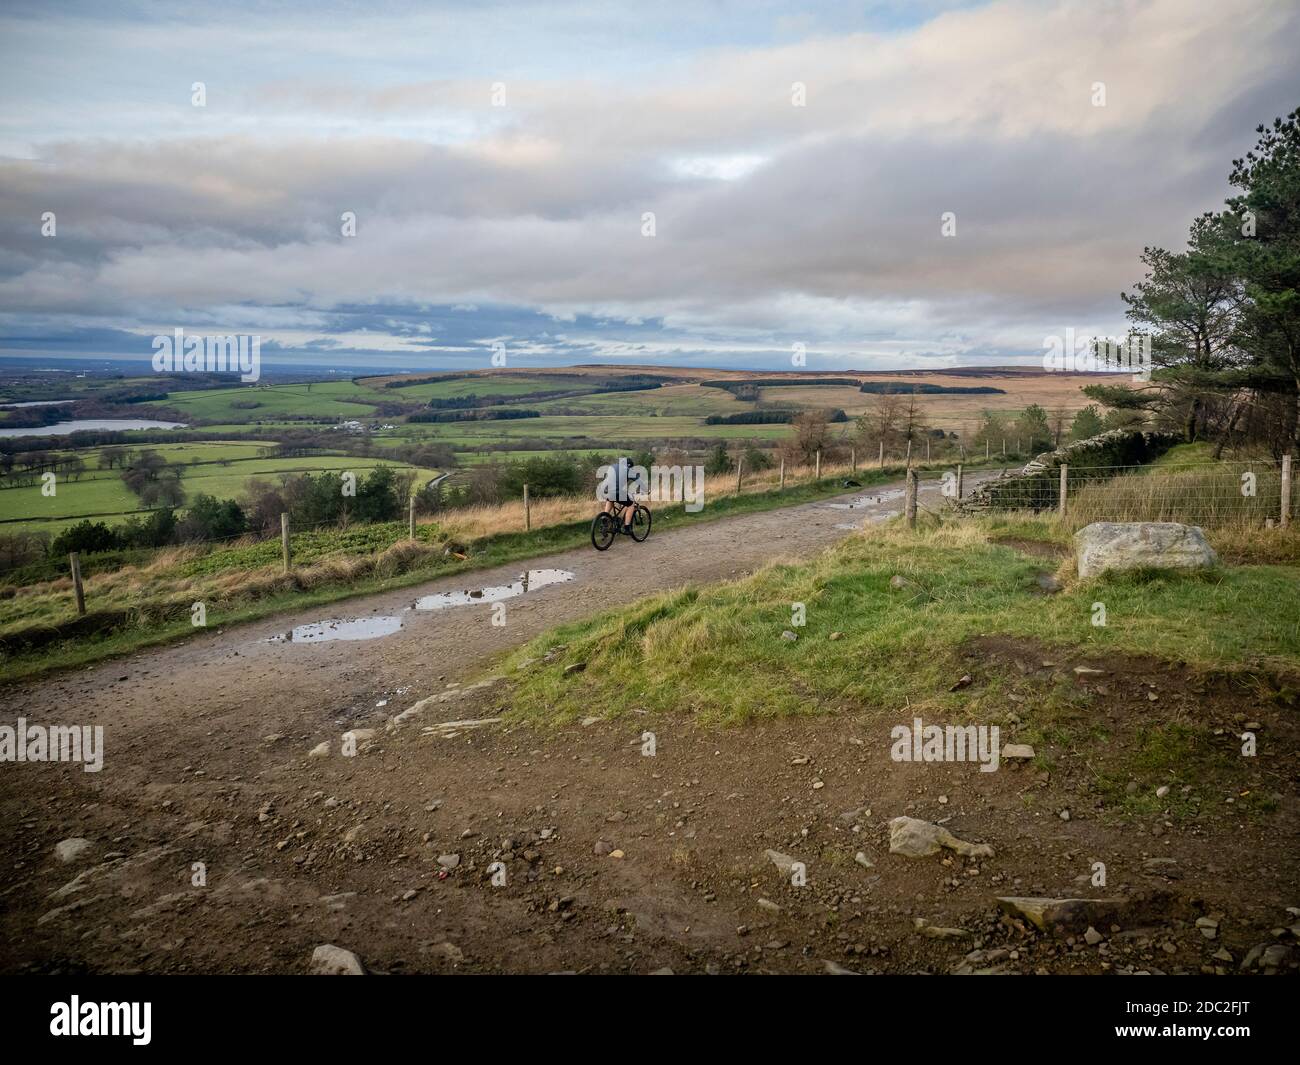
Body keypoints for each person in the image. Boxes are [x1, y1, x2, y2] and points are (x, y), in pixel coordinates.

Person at [600, 455, 638, 534]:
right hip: (616, 491)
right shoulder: (628, 470)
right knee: (631, 505)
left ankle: (605, 517)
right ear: (629, 466)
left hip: (605, 490)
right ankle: (627, 527)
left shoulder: (613, 467)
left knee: (610, 499)